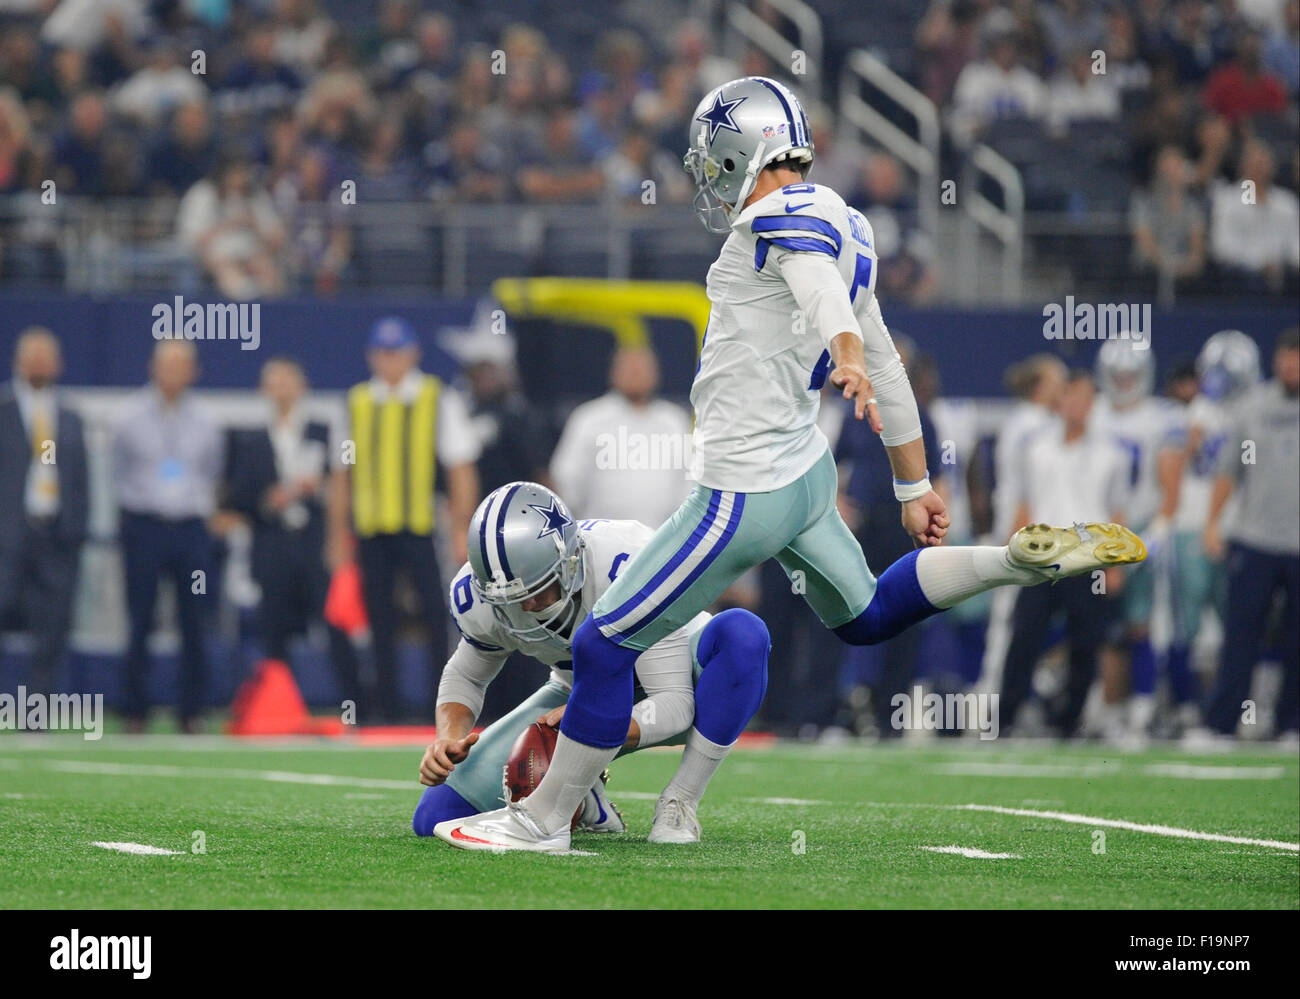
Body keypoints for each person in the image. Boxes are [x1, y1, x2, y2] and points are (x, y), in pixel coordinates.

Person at [436, 77, 1145, 852]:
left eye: (715, 160)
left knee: (605, 645)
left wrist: (840, 348)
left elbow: (825, 303)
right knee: (869, 613)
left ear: (749, 149)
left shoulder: (780, 216)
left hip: (743, 486)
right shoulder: (849, 221)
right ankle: (1013, 561)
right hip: (807, 474)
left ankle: (541, 822)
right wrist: (914, 484)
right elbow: (892, 367)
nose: (708, 178)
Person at [414, 482, 769, 844]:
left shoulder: (625, 559)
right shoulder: (481, 597)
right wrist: (448, 737)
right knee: (436, 818)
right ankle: (585, 803)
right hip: (581, 693)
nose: (525, 607)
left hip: (688, 682)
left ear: (569, 562)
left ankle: (681, 802)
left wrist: (581, 723)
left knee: (742, 637)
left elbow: (676, 705)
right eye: (508, 598)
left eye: (537, 590)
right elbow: (467, 674)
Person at [330, 317, 480, 722]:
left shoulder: (436, 398)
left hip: (419, 526)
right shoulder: (358, 402)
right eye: (383, 353)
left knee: (436, 615)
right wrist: (338, 535)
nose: (391, 361)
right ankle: (387, 709)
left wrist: (459, 527)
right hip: (372, 528)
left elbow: (459, 467)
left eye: (397, 352)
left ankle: (443, 704)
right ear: (372, 356)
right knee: (379, 619)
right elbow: (342, 473)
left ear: (413, 354)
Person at [998, 370, 1132, 737]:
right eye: (1072, 396)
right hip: (1043, 554)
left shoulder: (1112, 453)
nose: (1078, 405)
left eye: (1086, 398)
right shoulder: (1036, 447)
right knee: (1024, 636)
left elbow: (1118, 511)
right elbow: (1024, 503)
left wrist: (1115, 562)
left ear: (1093, 404)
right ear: (1061, 401)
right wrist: (1014, 552)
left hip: (1088, 557)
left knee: (1086, 641)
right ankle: (1007, 716)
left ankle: (1070, 720)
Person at [224, 357, 362, 710]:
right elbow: (236, 495)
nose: (282, 388)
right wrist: (267, 501)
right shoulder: (251, 439)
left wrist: (317, 492)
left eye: (288, 380)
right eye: (275, 381)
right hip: (272, 543)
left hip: (315, 542)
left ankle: (357, 704)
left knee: (333, 623)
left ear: (303, 386)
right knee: (274, 626)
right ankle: (278, 707)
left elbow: (345, 482)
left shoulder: (323, 430)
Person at [112, 340, 224, 733]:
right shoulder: (128, 416)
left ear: (194, 371)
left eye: (182, 366)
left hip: (190, 529)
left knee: (194, 619)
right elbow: (118, 471)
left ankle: (191, 711)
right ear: (153, 368)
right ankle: (135, 710)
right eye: (167, 365)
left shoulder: (206, 420)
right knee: (140, 619)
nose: (174, 373)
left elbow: (211, 471)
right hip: (143, 525)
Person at [1199, 329, 1299, 740]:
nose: (1290, 367)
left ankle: (1291, 724)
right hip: (1253, 538)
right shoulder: (1251, 407)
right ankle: (1221, 725)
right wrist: (1212, 522)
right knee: (1240, 636)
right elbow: (1228, 472)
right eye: (1286, 359)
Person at [1091, 340, 1184, 741]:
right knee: (1102, 628)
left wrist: (1157, 532)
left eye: (1131, 375)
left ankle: (1143, 709)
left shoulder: (1159, 419)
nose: (1124, 383)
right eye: (1118, 376)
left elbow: (1170, 484)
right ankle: (1106, 708)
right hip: (1095, 532)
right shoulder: (1093, 413)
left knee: (1142, 624)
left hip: (1139, 529)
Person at [0, 327, 89, 693]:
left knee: (52, 627)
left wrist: (76, 529)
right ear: (17, 362)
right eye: (31, 356)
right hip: (8, 535)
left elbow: (80, 480)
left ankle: (37, 712)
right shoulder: (3, 412)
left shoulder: (70, 417)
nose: (38, 364)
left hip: (56, 533)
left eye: (45, 356)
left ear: (58, 364)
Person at [549, 346, 692, 529]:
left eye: (642, 369)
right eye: (629, 369)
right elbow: (567, 481)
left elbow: (689, 483)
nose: (636, 374)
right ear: (614, 373)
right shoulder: (589, 418)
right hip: (601, 543)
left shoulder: (673, 420)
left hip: (662, 540)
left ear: (655, 374)